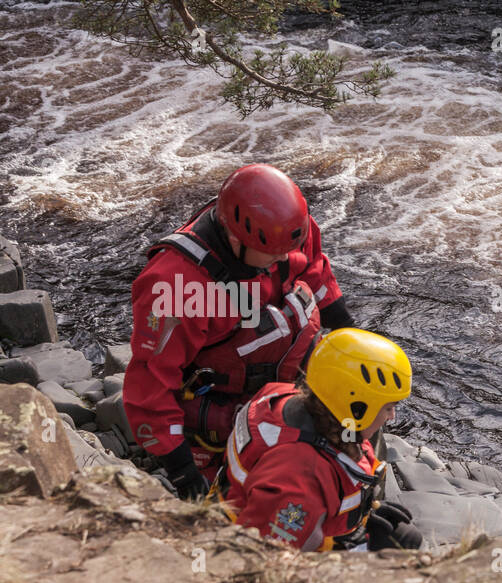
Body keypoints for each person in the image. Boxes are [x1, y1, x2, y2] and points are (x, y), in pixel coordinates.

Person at [124, 163, 357, 500]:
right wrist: (182, 471)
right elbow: (151, 382)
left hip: (287, 382)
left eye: (286, 250)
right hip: (218, 413)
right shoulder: (176, 285)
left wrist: (350, 333)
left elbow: (315, 272)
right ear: (236, 238)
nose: (283, 258)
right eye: (272, 255)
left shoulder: (287, 228)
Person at [219, 328, 422, 553]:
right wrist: (364, 550)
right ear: (354, 407)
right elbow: (266, 556)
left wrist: (365, 516)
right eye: (388, 408)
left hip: (306, 522)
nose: (392, 417)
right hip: (281, 546)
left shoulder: (283, 396)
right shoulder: (299, 477)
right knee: (405, 543)